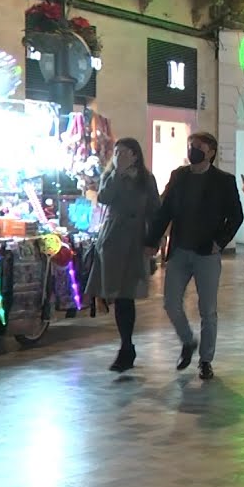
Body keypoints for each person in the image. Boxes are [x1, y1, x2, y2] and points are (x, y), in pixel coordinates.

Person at [145, 132, 244, 380]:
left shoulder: (224, 180)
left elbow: (236, 216)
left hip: (206, 253)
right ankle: (188, 341)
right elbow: (164, 211)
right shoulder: (179, 176)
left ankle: (206, 359)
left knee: (207, 309)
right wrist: (152, 240)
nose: (193, 150)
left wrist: (218, 243)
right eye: (191, 146)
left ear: (211, 151)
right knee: (170, 302)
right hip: (180, 250)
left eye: (198, 147)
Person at [88, 137, 160, 373]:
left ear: (136, 155)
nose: (119, 155)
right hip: (113, 242)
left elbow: (154, 211)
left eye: (125, 151)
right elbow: (105, 198)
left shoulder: (146, 179)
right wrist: (117, 173)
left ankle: (127, 347)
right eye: (117, 152)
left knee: (127, 295)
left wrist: (154, 240)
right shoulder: (110, 176)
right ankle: (126, 346)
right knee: (118, 295)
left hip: (136, 242)